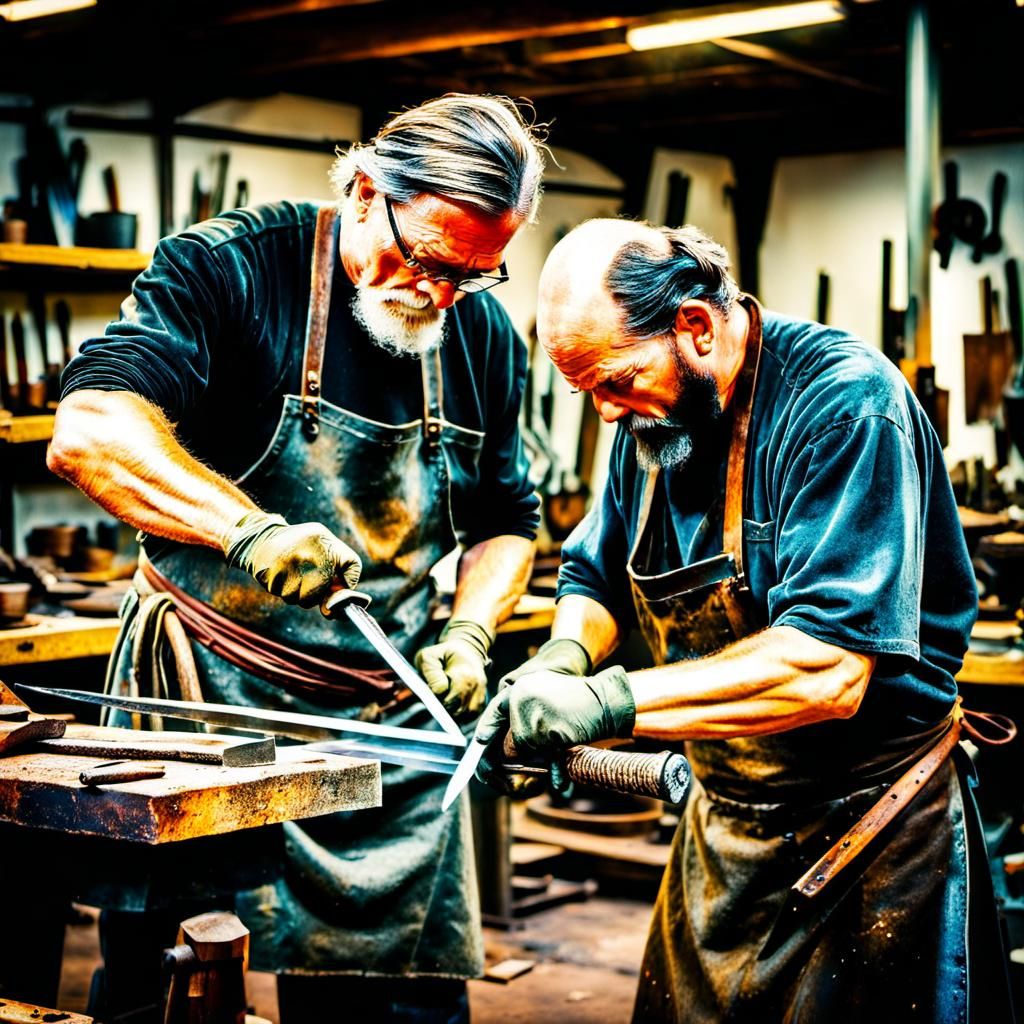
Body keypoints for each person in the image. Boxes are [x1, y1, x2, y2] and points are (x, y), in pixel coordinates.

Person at [46, 93, 545, 1022]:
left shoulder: (478, 334)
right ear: (364, 190)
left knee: (398, 1002)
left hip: (385, 715)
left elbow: (509, 517)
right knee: (176, 988)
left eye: (473, 275)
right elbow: (89, 433)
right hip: (203, 695)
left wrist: (473, 632)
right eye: (429, 259)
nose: (439, 293)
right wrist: (252, 531)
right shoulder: (226, 267)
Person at [471, 218, 1014, 1022]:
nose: (607, 416)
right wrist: (560, 660)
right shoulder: (651, 424)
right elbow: (594, 573)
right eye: (587, 393)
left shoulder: (844, 406)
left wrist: (605, 704)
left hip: (871, 835)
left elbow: (825, 667)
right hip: (723, 830)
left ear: (693, 324)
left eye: (614, 382)